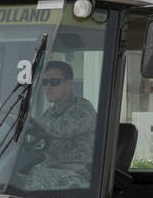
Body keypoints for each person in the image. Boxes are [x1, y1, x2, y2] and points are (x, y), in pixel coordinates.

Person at [20, 59, 96, 189]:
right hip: (52, 170)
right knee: (13, 179)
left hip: (78, 173)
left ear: (69, 83)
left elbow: (62, 129)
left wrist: (27, 121)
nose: (48, 87)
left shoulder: (83, 108)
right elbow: (39, 138)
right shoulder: (50, 113)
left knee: (36, 175)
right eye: (45, 82)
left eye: (54, 82)